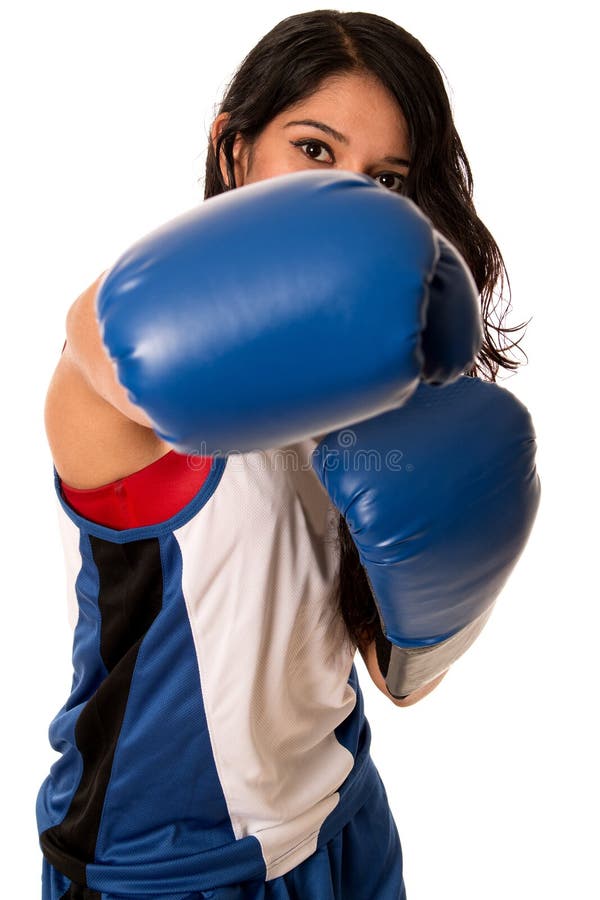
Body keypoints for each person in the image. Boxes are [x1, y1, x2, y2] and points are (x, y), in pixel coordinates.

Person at [37, 10, 538, 899]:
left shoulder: (390, 395)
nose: (349, 202)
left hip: (345, 823)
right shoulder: (148, 402)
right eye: (314, 150)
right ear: (234, 150)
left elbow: (399, 681)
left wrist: (454, 580)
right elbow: (100, 347)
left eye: (385, 179)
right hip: (164, 868)